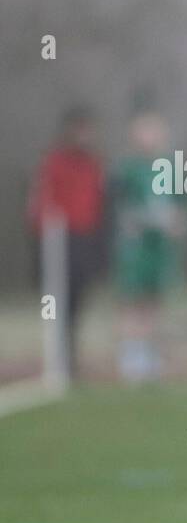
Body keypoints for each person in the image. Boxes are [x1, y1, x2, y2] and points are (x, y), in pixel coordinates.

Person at [109, 109, 187, 383]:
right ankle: (132, 357)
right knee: (133, 301)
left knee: (154, 302)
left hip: (160, 248)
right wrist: (139, 220)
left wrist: (175, 223)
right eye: (144, 132)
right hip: (136, 248)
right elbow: (116, 205)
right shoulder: (126, 169)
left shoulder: (172, 168)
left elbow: (181, 208)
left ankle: (152, 355)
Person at [27, 106, 105, 379]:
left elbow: (97, 206)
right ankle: (55, 360)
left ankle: (69, 360)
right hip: (57, 243)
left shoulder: (93, 165)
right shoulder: (54, 163)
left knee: (76, 304)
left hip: (84, 241)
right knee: (54, 303)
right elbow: (41, 205)